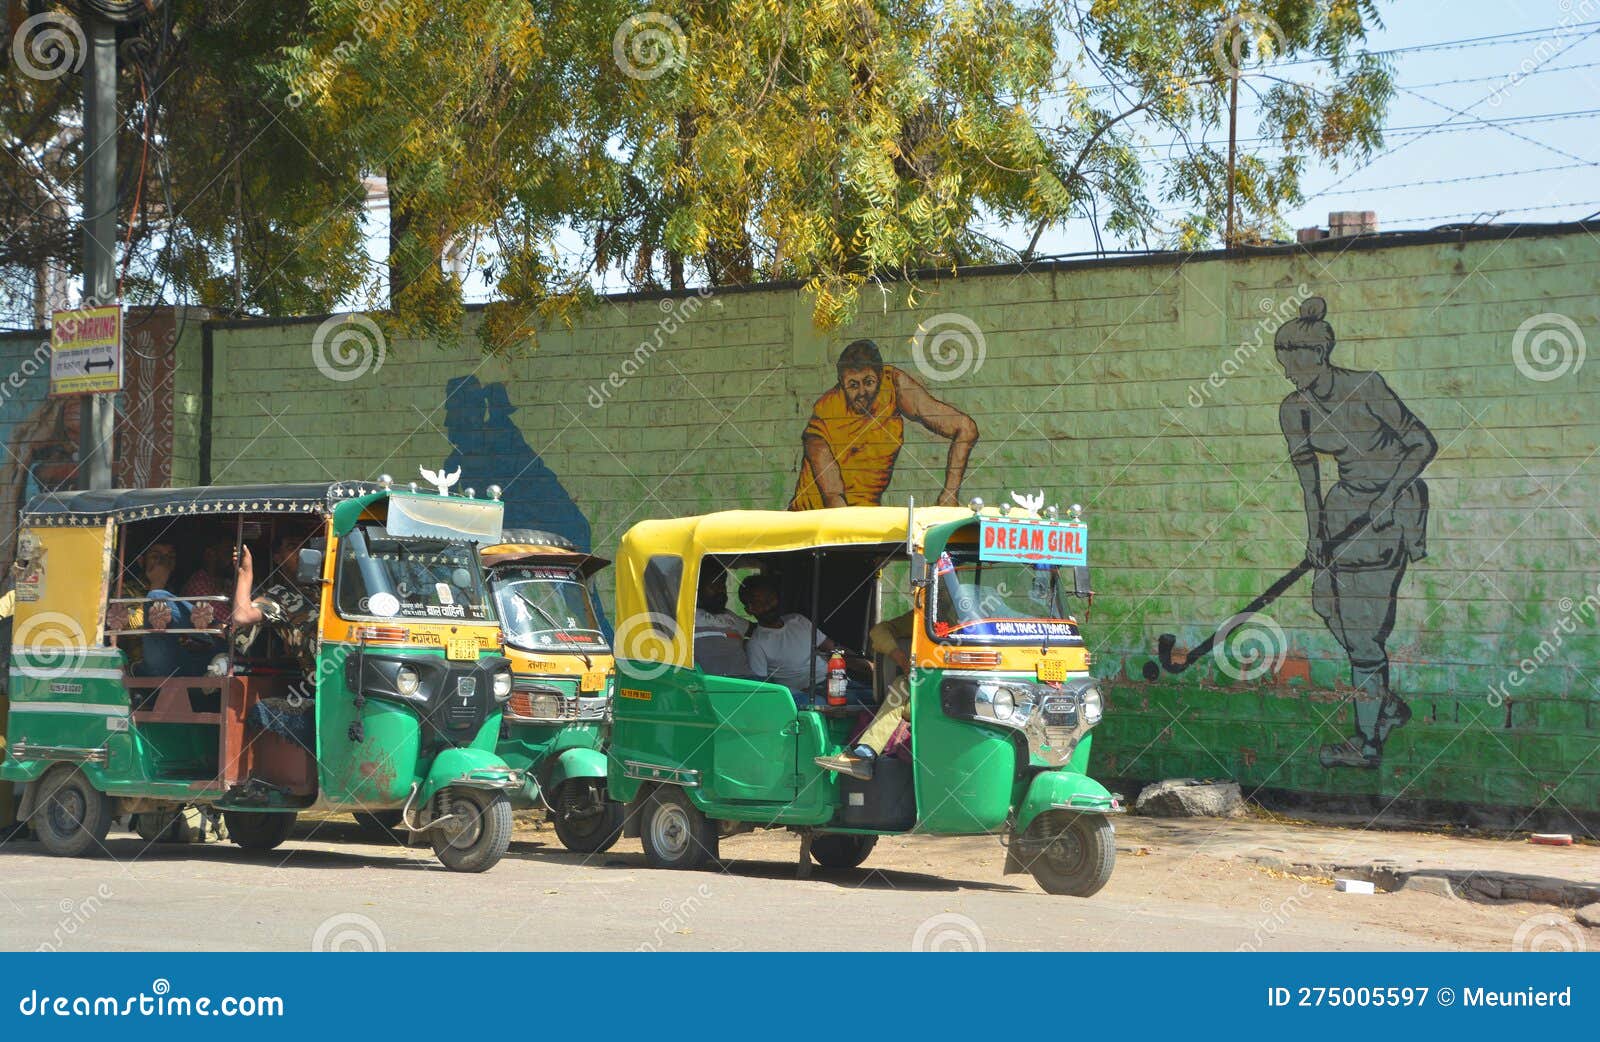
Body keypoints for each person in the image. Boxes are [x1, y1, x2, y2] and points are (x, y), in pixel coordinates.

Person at [1275, 296, 1436, 769]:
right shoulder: (1294, 411)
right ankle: (1385, 704)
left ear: (1318, 354)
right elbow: (1310, 482)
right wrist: (1315, 537)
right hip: (1345, 510)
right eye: (1281, 363)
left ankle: (1367, 743)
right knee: (1325, 599)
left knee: (1364, 635)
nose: (1286, 373)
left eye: (1292, 362)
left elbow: (1422, 443)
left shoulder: (1367, 388)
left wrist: (1387, 494)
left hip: (1393, 508)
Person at [790, 338, 979, 510]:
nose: (862, 392)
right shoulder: (825, 414)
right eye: (853, 385)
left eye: (868, 382)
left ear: (880, 377)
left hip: (867, 519)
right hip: (813, 523)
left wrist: (949, 495)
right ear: (841, 383)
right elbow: (833, 497)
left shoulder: (894, 386)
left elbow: (966, 428)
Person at [814, 610, 915, 780]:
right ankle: (864, 754)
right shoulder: (928, 616)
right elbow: (879, 631)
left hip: (946, 700)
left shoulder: (970, 625)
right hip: (923, 697)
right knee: (902, 685)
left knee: (901, 686)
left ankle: (865, 755)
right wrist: (900, 657)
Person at [739, 574, 867, 705]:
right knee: (822, 701)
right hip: (802, 694)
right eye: (759, 603)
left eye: (770, 598)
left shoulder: (798, 620)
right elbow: (763, 686)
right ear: (749, 610)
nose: (767, 606)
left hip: (833, 681)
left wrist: (869, 667)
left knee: (874, 696)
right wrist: (796, 693)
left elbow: (833, 649)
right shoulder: (756, 644)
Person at [108, 541, 206, 677]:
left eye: (170, 557)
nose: (163, 563)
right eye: (156, 556)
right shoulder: (126, 590)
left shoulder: (175, 590)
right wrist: (157, 586)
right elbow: (132, 625)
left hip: (179, 658)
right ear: (141, 561)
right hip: (144, 664)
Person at [231, 533, 319, 674]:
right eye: (293, 547)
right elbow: (243, 616)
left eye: (306, 547)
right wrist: (245, 573)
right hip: (325, 680)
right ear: (278, 558)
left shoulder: (333, 589)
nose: (302, 553)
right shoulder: (281, 596)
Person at [692, 562, 751, 676]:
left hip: (744, 681)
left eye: (722, 585)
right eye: (713, 586)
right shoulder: (687, 617)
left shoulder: (729, 616)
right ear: (697, 589)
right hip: (711, 685)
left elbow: (758, 631)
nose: (720, 591)